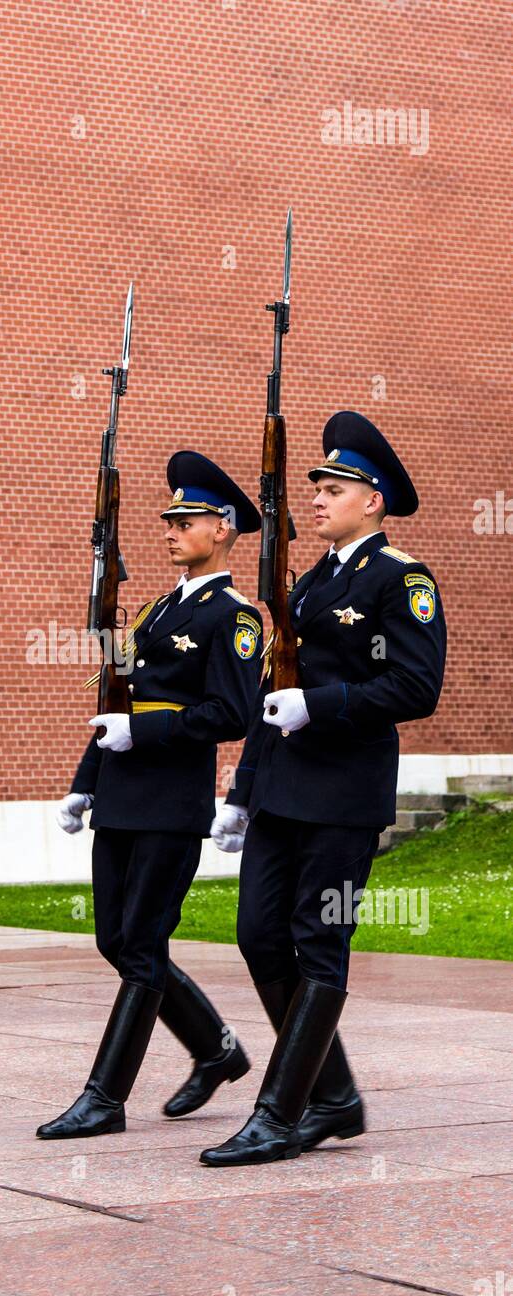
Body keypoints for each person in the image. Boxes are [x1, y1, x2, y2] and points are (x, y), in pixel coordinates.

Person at [201, 411, 447, 1167]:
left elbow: (415, 685)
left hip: (344, 792)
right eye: (316, 488)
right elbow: (279, 693)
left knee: (318, 945)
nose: (317, 499)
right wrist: (243, 790)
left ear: (372, 500)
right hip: (280, 790)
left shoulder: (401, 579)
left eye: (333, 488)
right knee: (257, 935)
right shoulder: (309, 585)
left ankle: (281, 1110)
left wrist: (326, 705)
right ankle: (334, 1096)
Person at [37, 451, 264, 1140]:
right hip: (124, 797)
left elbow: (232, 713)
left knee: (141, 943)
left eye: (185, 520)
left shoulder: (235, 616)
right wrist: (84, 783)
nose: (170, 531)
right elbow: (118, 698)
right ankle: (217, 1049)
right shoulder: (161, 608)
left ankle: (104, 1097)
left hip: (171, 801)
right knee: (117, 939)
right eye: (167, 520)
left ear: (222, 529)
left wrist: (143, 730)